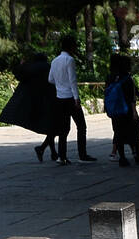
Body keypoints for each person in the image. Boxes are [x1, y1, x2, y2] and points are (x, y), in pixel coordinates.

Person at [0, 51, 59, 162]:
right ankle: (47, 150)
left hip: (33, 101)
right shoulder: (48, 67)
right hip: (48, 101)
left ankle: (50, 151)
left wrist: (22, 65)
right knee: (53, 127)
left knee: (51, 127)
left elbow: (19, 75)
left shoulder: (30, 68)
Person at [49, 34, 95, 164]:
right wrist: (77, 98)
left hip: (59, 98)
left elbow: (50, 79)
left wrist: (60, 85)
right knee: (81, 126)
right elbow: (72, 80)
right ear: (71, 47)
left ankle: (62, 156)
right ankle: (82, 154)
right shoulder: (69, 60)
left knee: (63, 128)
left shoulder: (54, 60)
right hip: (70, 97)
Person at [105, 53, 139, 167]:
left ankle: (122, 158)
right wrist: (134, 112)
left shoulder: (110, 77)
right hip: (127, 110)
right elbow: (131, 98)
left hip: (115, 111)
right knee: (135, 133)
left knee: (118, 133)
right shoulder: (127, 79)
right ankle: (138, 155)